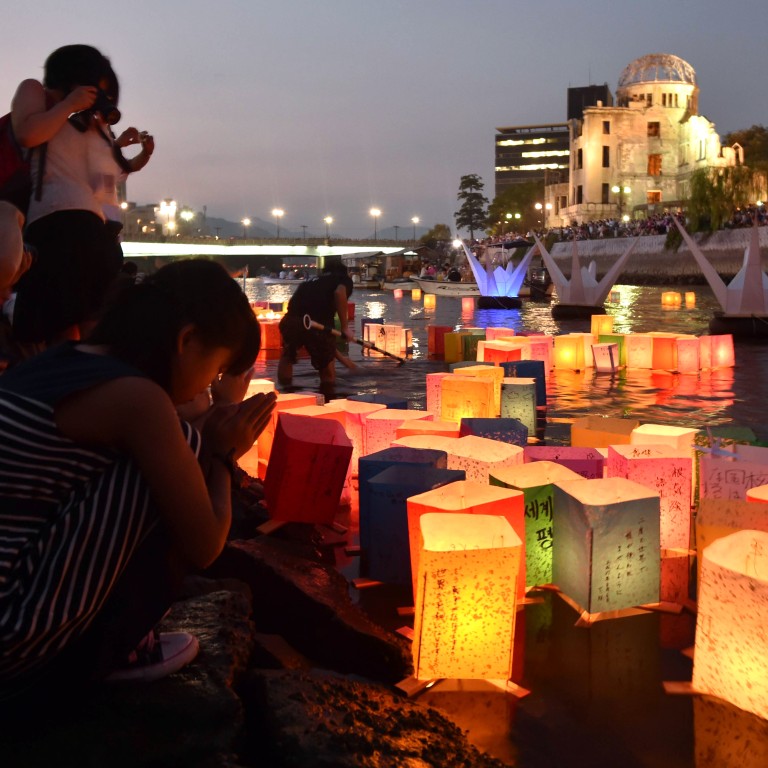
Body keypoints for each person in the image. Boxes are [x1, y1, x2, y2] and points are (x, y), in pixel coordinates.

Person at [0, 259, 276, 702]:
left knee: (175, 443)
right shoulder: (139, 402)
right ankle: (111, 651)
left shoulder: (64, 359)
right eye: (217, 369)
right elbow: (205, 545)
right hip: (12, 634)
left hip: (14, 581)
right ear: (187, 340)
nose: (211, 385)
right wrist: (225, 455)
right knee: (176, 450)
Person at [9, 44, 153, 349]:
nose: (100, 97)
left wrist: (132, 151)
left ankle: (88, 389)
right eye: (96, 88)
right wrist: (68, 104)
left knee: (95, 332)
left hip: (95, 231)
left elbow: (108, 176)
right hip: (53, 224)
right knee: (59, 330)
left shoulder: (87, 122)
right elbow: (27, 134)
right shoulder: (37, 93)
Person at [277, 262, 354, 386]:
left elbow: (326, 343)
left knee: (287, 357)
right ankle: (328, 398)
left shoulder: (309, 282)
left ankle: (285, 390)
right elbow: (339, 293)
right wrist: (345, 327)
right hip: (317, 325)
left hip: (291, 321)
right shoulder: (342, 279)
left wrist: (347, 363)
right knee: (326, 369)